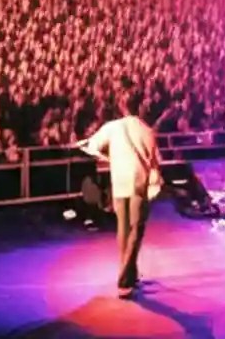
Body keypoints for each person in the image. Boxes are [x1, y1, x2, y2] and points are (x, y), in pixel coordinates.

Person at [78, 94, 162, 298]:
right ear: (140, 106)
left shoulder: (112, 127)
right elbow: (155, 161)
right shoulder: (147, 130)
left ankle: (129, 272)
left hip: (119, 182)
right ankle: (125, 278)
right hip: (138, 182)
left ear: (122, 107)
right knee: (136, 228)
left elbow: (91, 147)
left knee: (123, 228)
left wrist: (109, 157)